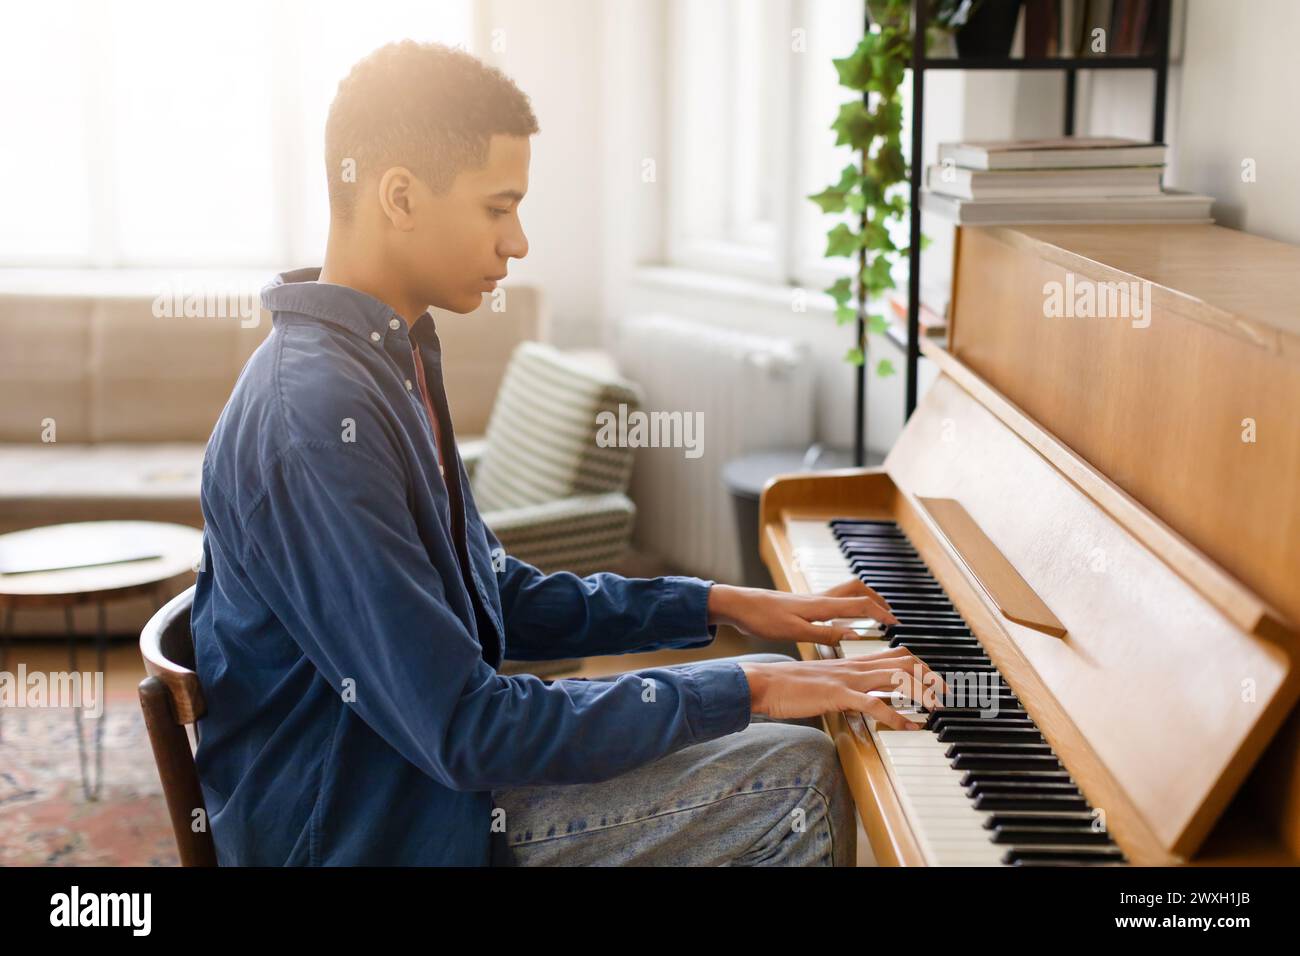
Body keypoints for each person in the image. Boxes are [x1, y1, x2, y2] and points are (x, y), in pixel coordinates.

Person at [191, 40, 940, 867]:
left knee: (759, 732)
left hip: (418, 774)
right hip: (369, 827)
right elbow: (464, 728)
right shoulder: (317, 415)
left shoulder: (390, 355)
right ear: (399, 196)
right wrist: (751, 687)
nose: (517, 242)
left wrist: (717, 605)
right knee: (792, 775)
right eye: (496, 206)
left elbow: (493, 595)